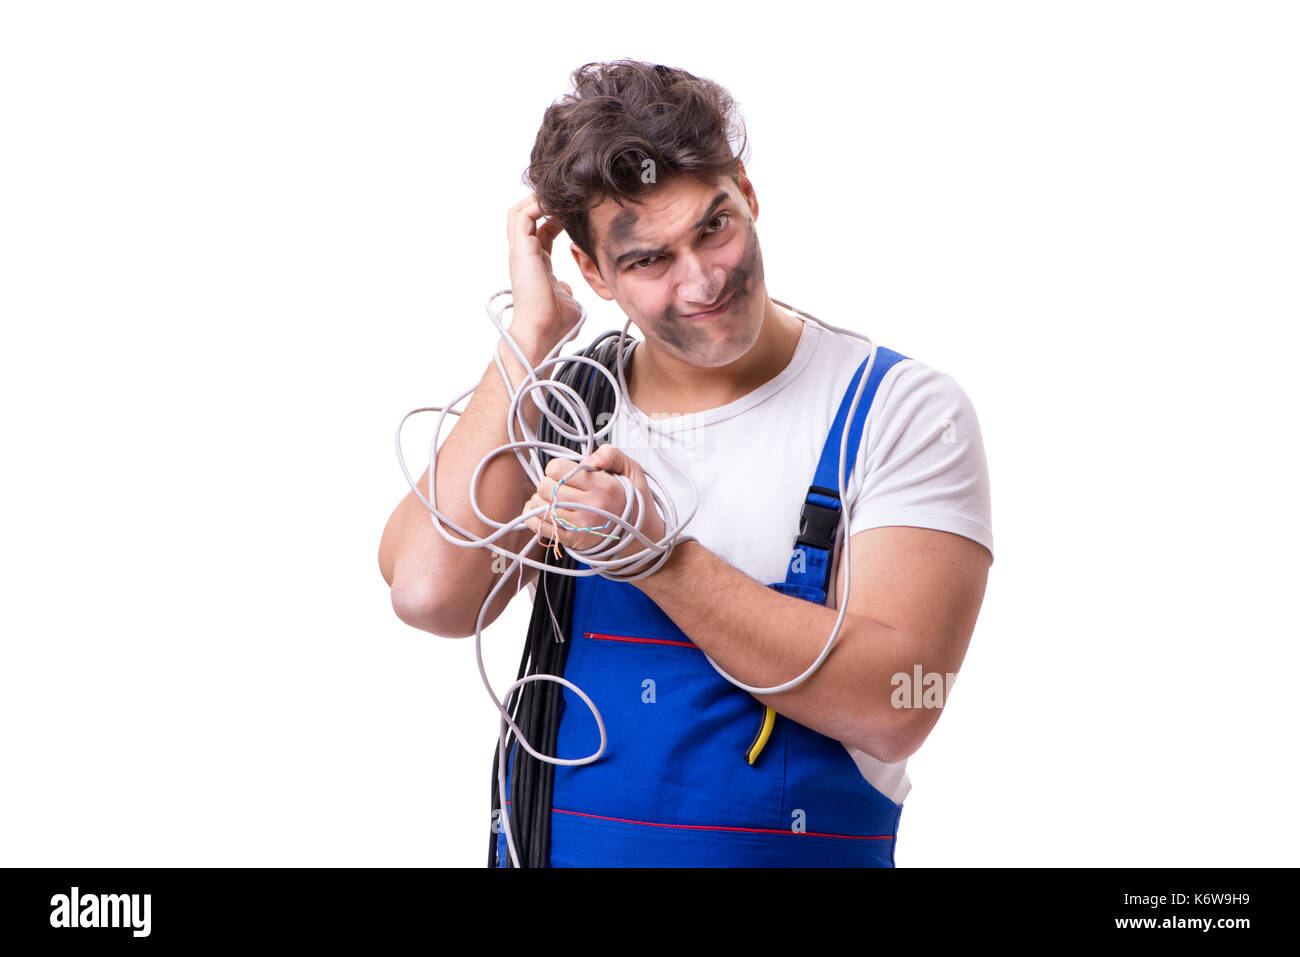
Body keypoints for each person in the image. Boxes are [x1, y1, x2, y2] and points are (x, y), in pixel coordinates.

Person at [378, 59, 993, 866]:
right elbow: (427, 593)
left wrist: (656, 559)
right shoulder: (567, 403)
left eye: (715, 224)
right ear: (593, 273)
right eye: (648, 260)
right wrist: (529, 340)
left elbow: (899, 701)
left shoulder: (900, 410)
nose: (704, 279)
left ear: (747, 190)